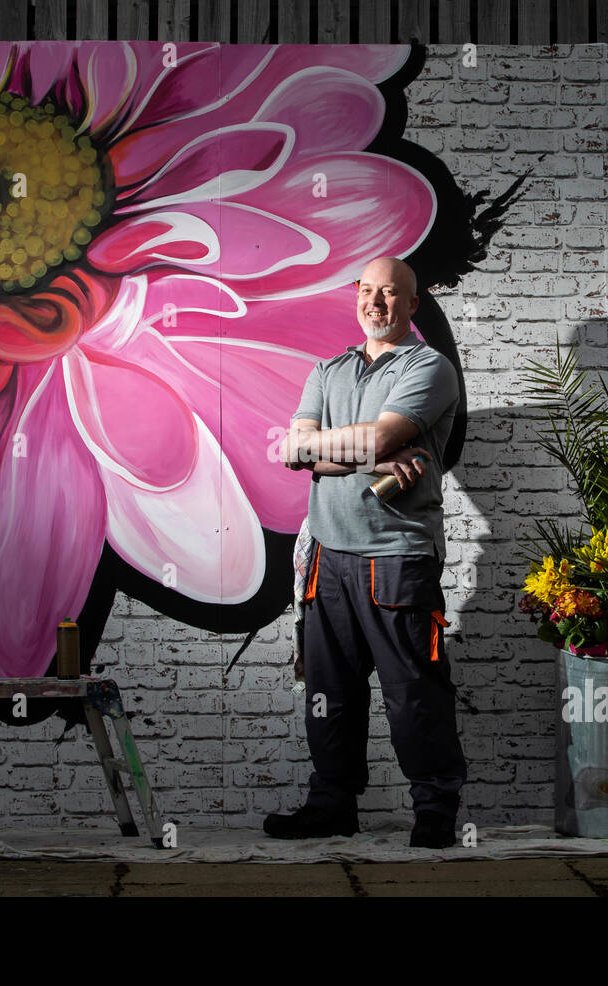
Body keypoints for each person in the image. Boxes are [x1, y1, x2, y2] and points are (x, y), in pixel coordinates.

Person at [265, 256, 467, 849]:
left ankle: (434, 810)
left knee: (414, 693)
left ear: (412, 304)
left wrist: (335, 448)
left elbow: (369, 437)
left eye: (391, 293)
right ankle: (331, 804)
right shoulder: (327, 371)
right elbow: (288, 450)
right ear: (357, 297)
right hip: (328, 556)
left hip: (397, 557)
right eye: (368, 291)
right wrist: (368, 457)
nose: (376, 302)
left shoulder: (429, 368)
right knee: (330, 693)